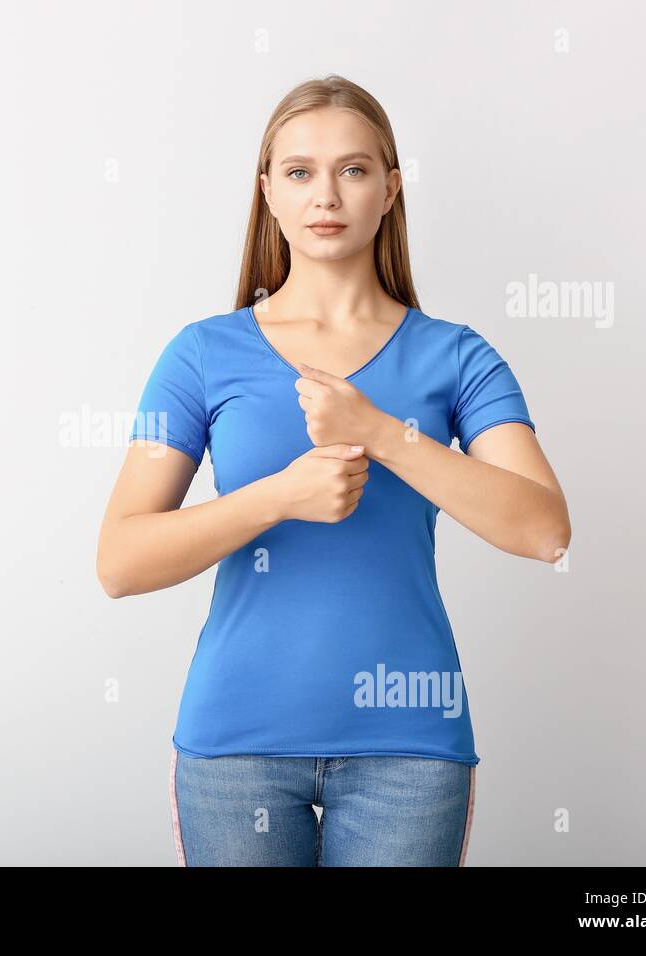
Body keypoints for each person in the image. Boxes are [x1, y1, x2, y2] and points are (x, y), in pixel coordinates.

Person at [96, 75, 571, 866]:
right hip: (234, 749)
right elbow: (119, 561)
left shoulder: (457, 357)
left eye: (353, 170)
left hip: (411, 752)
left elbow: (545, 530)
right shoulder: (202, 354)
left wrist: (381, 435)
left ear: (390, 189)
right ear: (268, 194)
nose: (326, 194)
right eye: (299, 172)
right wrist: (282, 495)